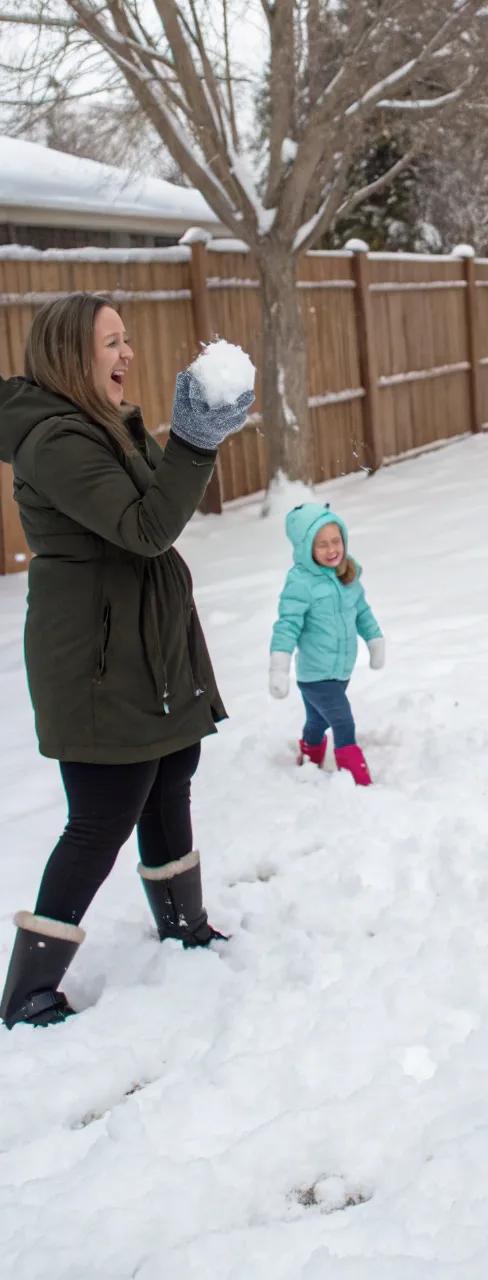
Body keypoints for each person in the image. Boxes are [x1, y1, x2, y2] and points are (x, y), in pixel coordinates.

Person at [0, 293, 253, 1029]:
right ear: (71, 355)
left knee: (170, 774)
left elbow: (151, 509)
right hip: (97, 658)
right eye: (111, 343)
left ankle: (183, 925)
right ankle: (28, 991)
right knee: (103, 814)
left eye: (127, 339)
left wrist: (193, 434)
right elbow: (146, 528)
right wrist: (196, 445)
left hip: (143, 643)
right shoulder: (57, 441)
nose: (127, 354)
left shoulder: (102, 425)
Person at [269, 503, 384, 784]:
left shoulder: (347, 574)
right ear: (306, 548)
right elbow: (287, 626)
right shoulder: (301, 583)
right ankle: (359, 780)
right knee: (343, 722)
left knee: (317, 722)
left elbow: (362, 611)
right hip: (316, 675)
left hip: (340, 671)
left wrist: (374, 639)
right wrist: (279, 667)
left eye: (336, 541)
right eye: (321, 544)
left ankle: (308, 760)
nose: (332, 549)